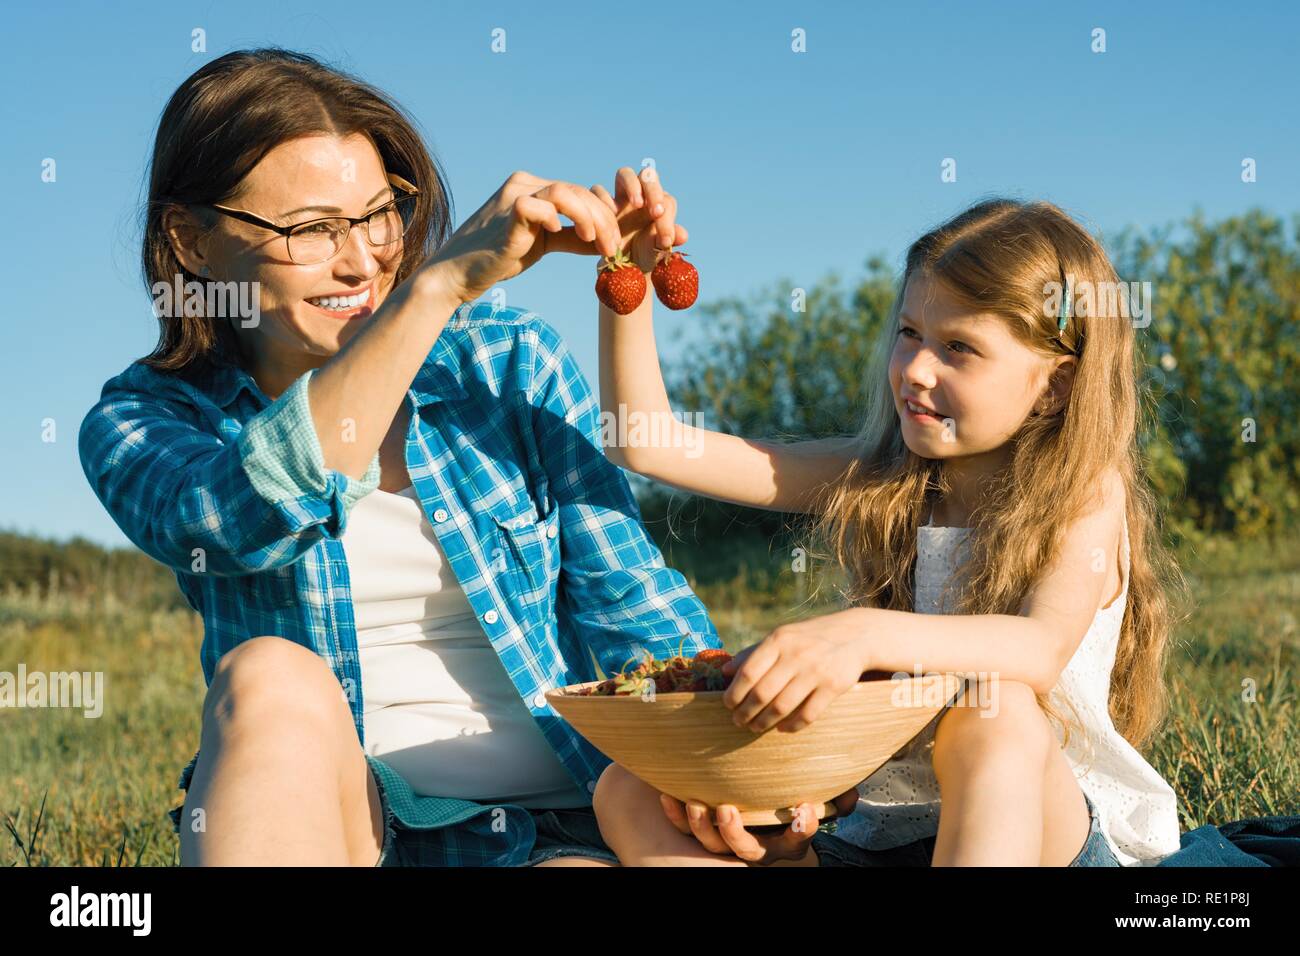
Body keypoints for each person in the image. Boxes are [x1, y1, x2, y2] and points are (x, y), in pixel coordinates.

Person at [78, 47, 720, 867]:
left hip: (563, 825)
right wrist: (436, 289)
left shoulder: (508, 361)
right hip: (349, 830)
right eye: (311, 229)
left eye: (380, 215)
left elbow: (631, 607)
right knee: (271, 672)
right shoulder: (149, 418)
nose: (364, 261)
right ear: (193, 243)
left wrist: (734, 752)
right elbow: (241, 521)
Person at [590, 191, 1189, 867]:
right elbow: (648, 446)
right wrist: (631, 276)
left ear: (1054, 384)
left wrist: (862, 634)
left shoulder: (1081, 491)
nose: (915, 369)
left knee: (996, 710)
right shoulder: (881, 478)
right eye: (910, 333)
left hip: (1048, 838)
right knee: (632, 790)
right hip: (884, 836)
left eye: (959, 347)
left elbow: (1039, 647)